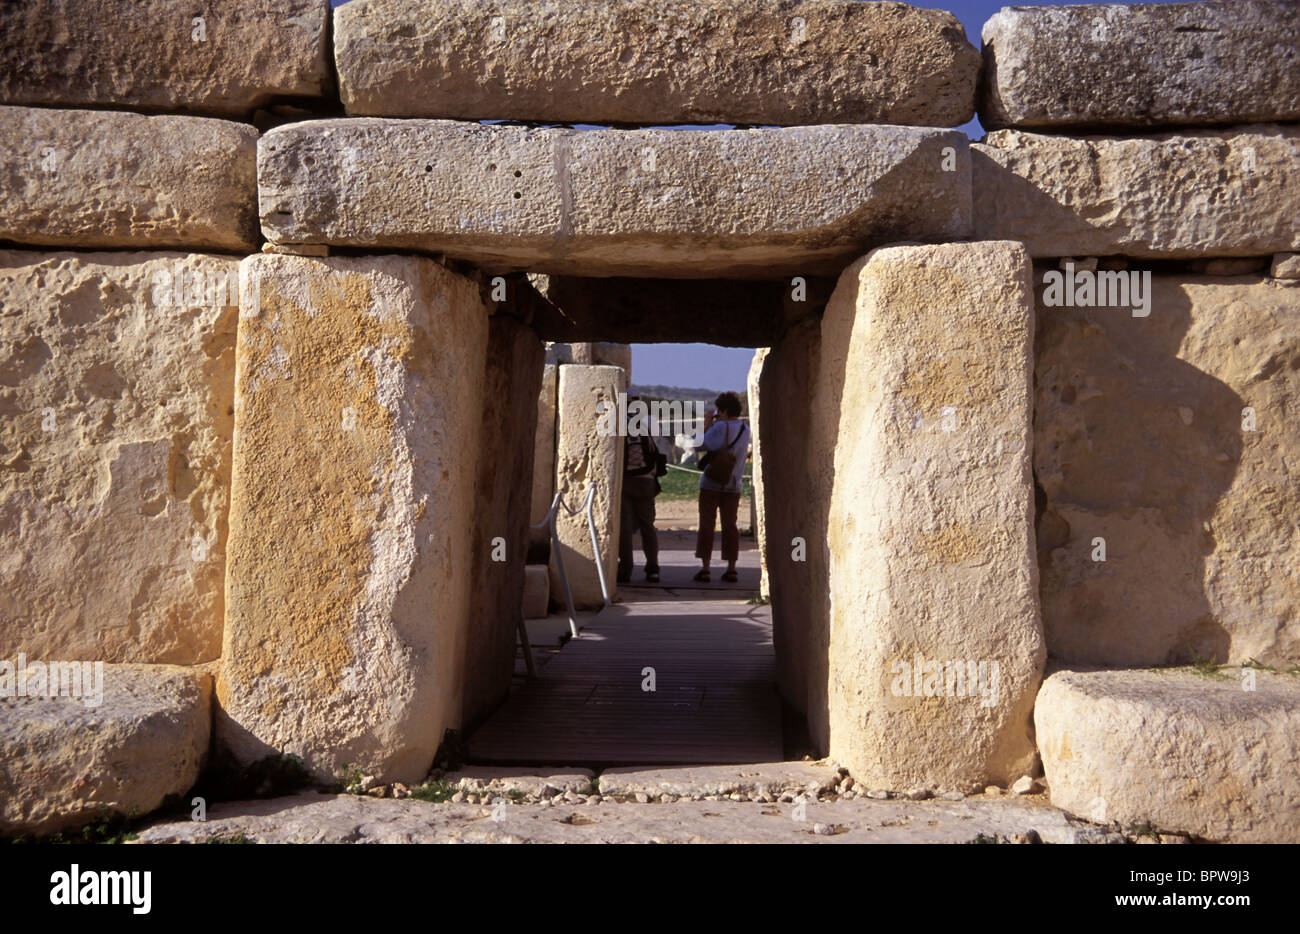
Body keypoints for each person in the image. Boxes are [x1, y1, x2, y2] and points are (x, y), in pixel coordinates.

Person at [694, 391, 750, 583]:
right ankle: (731, 568)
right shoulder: (745, 429)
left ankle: (706, 569)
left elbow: (698, 445)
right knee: (730, 527)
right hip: (733, 484)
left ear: (723, 410)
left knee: (707, 525)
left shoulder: (719, 427)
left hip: (712, 483)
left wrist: (707, 423)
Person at [618, 399, 663, 584]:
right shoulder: (649, 421)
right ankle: (653, 569)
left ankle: (625, 570)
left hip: (627, 481)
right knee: (648, 527)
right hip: (646, 482)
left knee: (625, 529)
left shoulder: (618, 422)